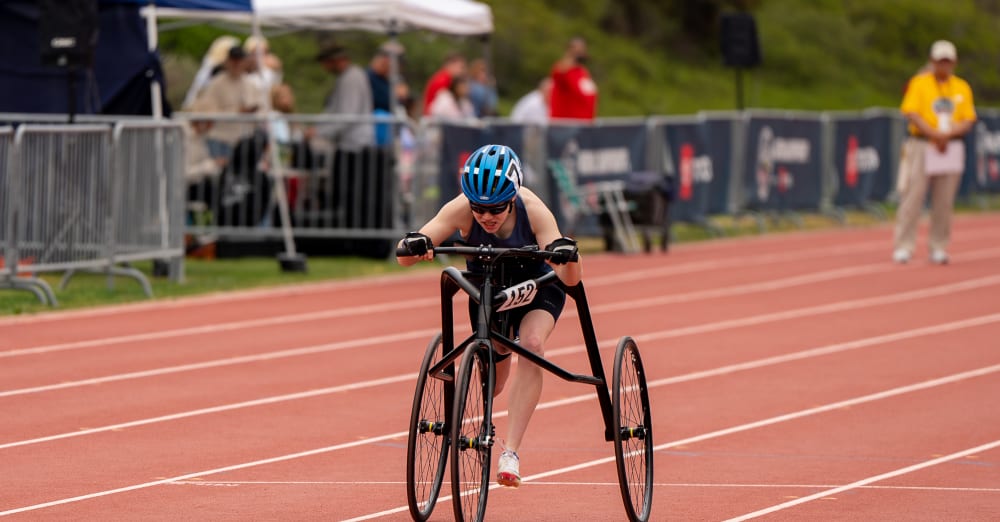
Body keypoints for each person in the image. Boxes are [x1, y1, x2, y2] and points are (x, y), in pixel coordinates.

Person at [396, 144, 582, 489]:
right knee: (492, 383)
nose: (487, 216)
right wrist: (418, 244)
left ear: (513, 197)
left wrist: (565, 255)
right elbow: (406, 254)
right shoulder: (461, 209)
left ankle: (510, 452)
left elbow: (571, 278)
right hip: (488, 291)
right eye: (480, 208)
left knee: (532, 344)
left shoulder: (535, 210)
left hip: (537, 288)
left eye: (496, 208)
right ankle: (496, 359)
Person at [893, 40, 976, 265]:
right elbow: (911, 112)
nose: (944, 66)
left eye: (948, 61)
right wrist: (934, 134)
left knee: (944, 200)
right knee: (913, 196)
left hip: (950, 146)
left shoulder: (962, 87)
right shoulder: (919, 83)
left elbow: (968, 118)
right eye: (940, 61)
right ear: (932, 61)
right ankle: (904, 246)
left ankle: (938, 246)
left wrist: (946, 136)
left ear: (954, 63)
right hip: (922, 144)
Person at [549, 36, 598, 120]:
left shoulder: (582, 72)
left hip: (583, 125)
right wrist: (571, 56)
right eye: (577, 49)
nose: (580, 51)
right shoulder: (562, 70)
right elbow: (560, 70)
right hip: (565, 125)